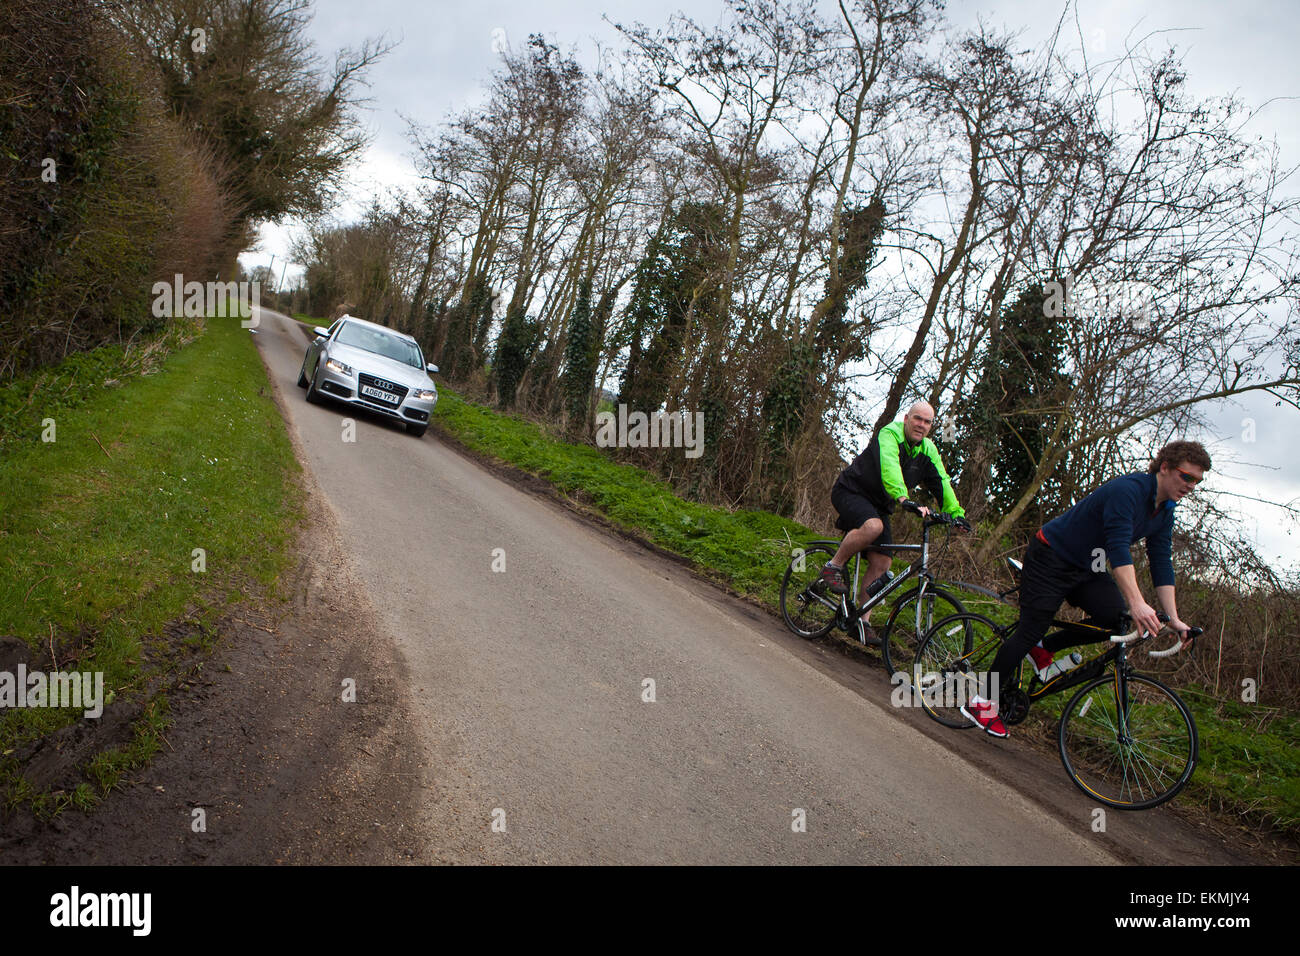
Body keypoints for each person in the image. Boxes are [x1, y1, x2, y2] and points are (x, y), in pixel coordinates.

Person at [962, 440, 1210, 737]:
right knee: (1031, 628)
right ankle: (982, 701)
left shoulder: (1164, 511)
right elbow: (1118, 549)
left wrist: (1173, 618)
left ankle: (1045, 648)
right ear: (1166, 467)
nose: (1191, 485)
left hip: (1088, 567)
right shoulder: (1128, 491)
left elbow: (1161, 562)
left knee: (1114, 619)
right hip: (1051, 556)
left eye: (1197, 481)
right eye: (1187, 476)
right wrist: (1138, 603)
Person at [820, 401, 969, 641]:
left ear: (931, 426)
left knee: (883, 562)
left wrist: (956, 513)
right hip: (851, 490)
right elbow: (889, 465)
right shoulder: (890, 433)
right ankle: (833, 566)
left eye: (927, 422)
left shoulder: (928, 450)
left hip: (879, 504)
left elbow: (941, 480)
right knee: (873, 526)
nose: (921, 425)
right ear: (907, 418)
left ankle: (861, 621)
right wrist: (903, 497)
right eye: (917, 419)